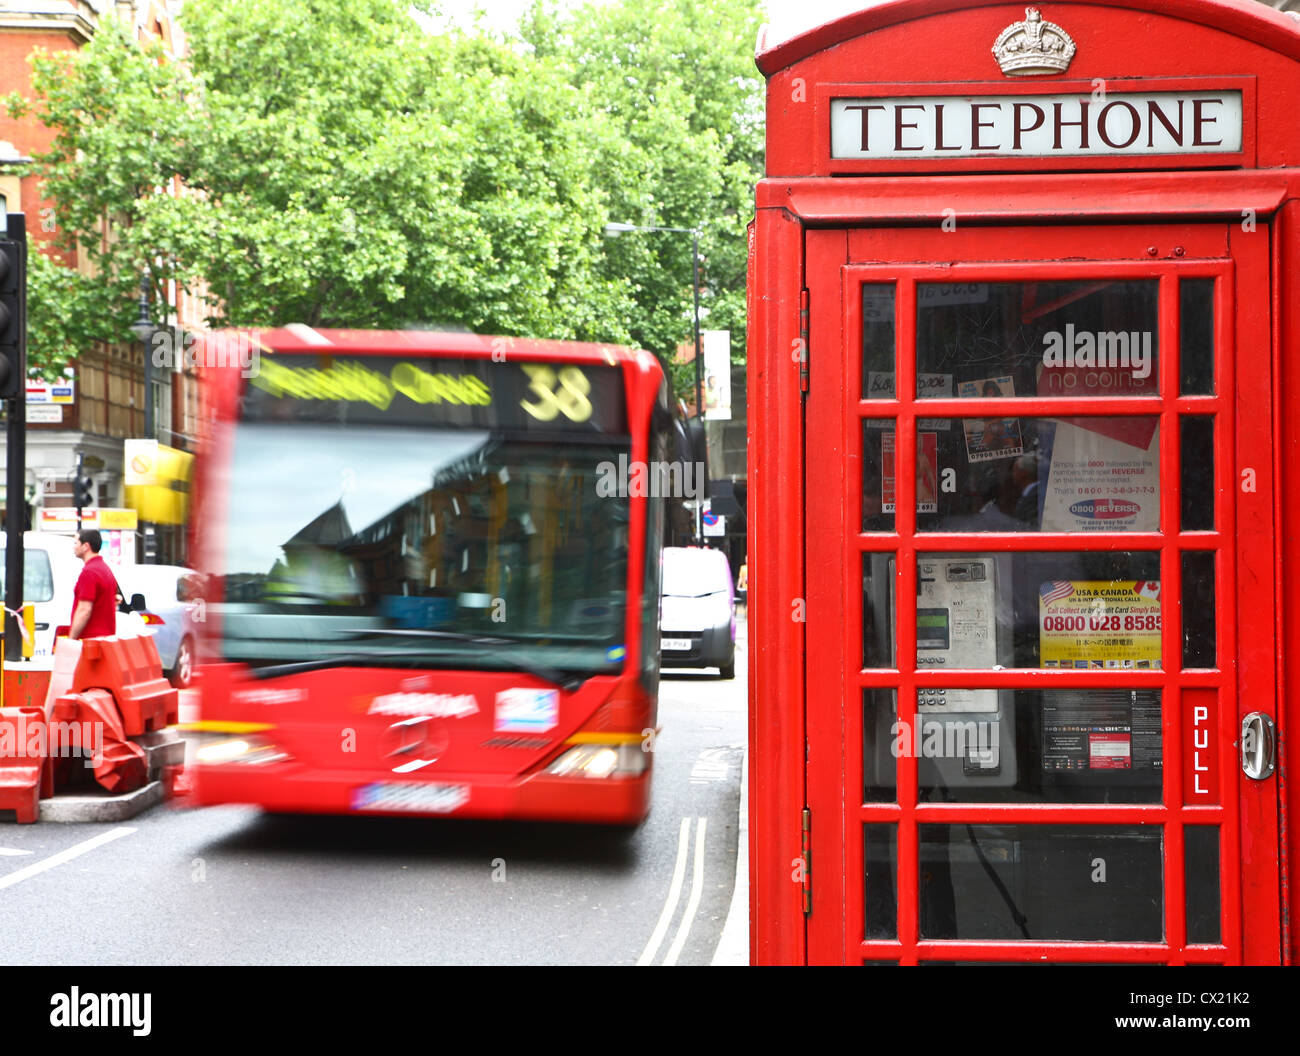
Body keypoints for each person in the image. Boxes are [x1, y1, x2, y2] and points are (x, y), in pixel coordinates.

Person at [69, 529, 121, 640]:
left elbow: (84, 610)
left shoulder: (89, 573)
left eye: (76, 543)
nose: (73, 547)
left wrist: (71, 639)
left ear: (86, 546)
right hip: (106, 641)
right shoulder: (105, 569)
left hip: (90, 642)